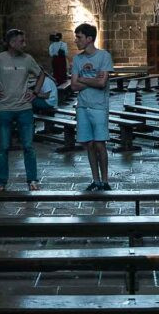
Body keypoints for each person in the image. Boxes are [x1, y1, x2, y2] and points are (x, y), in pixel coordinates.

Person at [0, 29, 45, 191]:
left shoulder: (28, 59)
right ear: (12, 43)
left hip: (24, 108)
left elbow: (41, 74)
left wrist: (35, 92)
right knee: (4, 146)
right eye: (21, 41)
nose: (25, 44)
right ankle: (1, 181)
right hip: (4, 109)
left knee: (28, 146)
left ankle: (32, 180)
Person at [71, 23, 114, 191]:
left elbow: (102, 83)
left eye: (79, 37)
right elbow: (73, 86)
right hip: (82, 106)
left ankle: (105, 180)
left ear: (89, 39)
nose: (76, 41)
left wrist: (81, 79)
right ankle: (95, 179)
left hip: (99, 106)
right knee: (88, 144)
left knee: (99, 144)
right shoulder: (77, 59)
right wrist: (91, 81)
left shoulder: (103, 56)